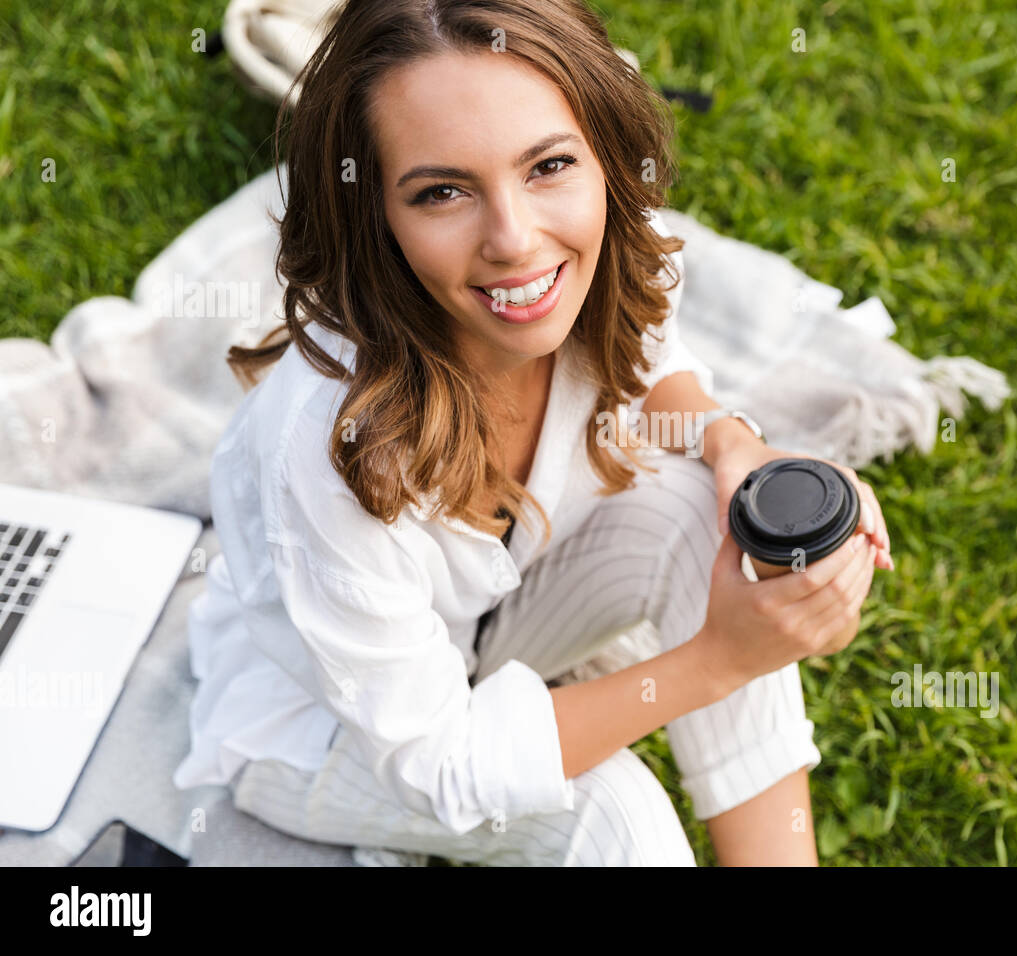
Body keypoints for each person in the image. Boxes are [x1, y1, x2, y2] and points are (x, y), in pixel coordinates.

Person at [171, 0, 892, 866]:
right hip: (325, 732)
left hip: (493, 623)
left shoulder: (595, 251)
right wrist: (716, 660)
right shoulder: (326, 453)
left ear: (604, 158)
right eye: (442, 191)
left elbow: (655, 356)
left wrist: (735, 442)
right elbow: (440, 763)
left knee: (712, 518)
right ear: (376, 217)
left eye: (548, 165)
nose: (516, 241)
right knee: (616, 818)